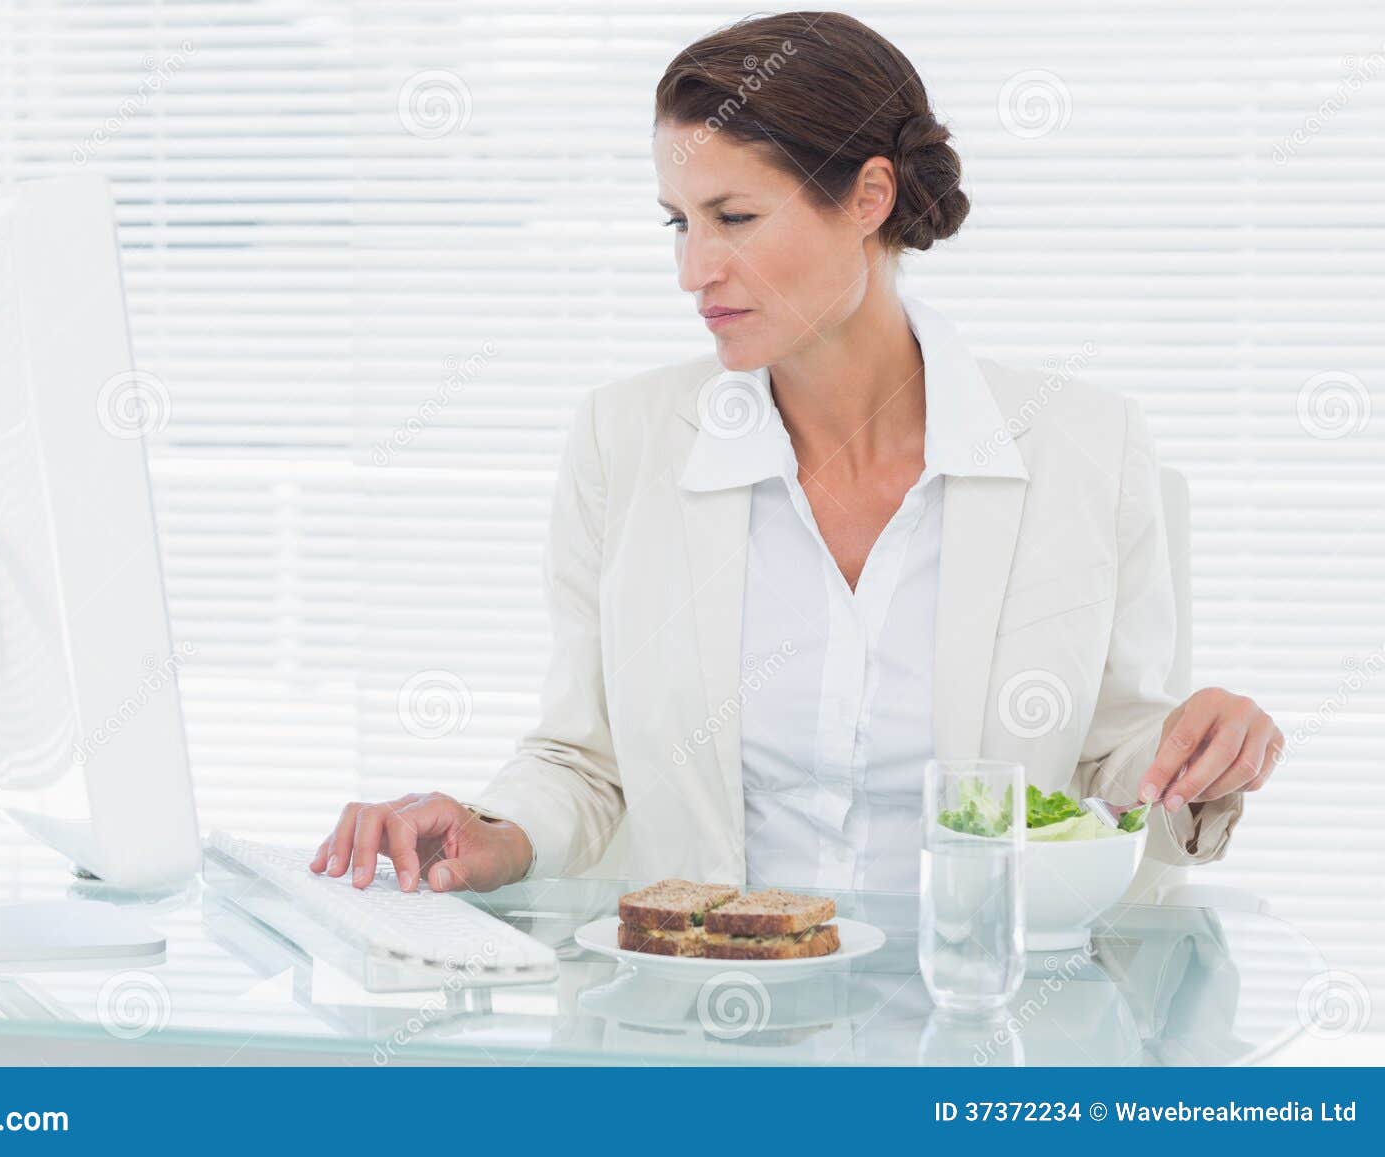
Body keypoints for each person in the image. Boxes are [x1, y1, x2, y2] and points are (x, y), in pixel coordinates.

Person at [312, 11, 1283, 894]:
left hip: (978, 1018)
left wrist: (1201, 746)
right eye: (678, 223)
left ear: (867, 196)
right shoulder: (627, 440)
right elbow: (585, 758)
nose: (694, 270)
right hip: (708, 1018)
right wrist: (497, 831)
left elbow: (1110, 766)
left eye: (734, 218)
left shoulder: (1084, 447)